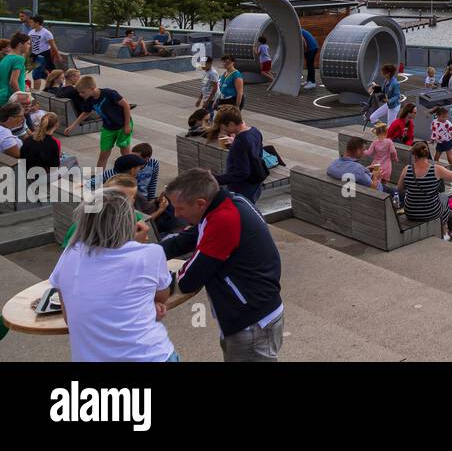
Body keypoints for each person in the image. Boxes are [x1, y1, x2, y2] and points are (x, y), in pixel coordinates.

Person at [162, 168, 284, 361]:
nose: (176, 214)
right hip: (253, 315)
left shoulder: (223, 220)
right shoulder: (229, 203)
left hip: (250, 324)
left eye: (180, 208)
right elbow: (186, 239)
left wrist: (162, 280)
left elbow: (189, 280)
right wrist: (149, 253)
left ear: (201, 203)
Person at [49, 190, 178, 362]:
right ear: (128, 223)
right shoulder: (151, 254)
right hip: (150, 356)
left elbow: (69, 317)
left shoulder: (69, 255)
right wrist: (136, 246)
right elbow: (161, 296)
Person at [399, 140, 452, 239]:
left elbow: (400, 188)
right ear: (427, 154)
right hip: (431, 212)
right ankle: (444, 230)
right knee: (444, 198)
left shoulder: (407, 169)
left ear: (414, 155)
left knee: (441, 199)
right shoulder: (436, 169)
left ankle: (445, 230)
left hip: (410, 212)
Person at [72, 76, 133, 172]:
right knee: (103, 154)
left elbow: (126, 105)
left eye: (83, 92)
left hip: (122, 125)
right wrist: (73, 125)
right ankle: (98, 178)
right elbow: (86, 112)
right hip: (108, 128)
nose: (80, 94)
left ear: (92, 89)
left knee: (125, 152)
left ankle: (132, 174)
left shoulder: (109, 93)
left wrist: (127, 125)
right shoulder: (89, 99)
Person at [212, 105, 268, 205]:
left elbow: (242, 173)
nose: (222, 130)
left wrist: (216, 179)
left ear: (231, 124)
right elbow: (256, 154)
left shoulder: (240, 142)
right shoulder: (255, 131)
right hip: (255, 184)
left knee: (240, 214)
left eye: (223, 127)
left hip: (243, 189)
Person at [26, 15, 60, 90]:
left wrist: (58, 57)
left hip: (43, 55)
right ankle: (52, 87)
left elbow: (53, 46)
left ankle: (35, 95)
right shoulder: (31, 32)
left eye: (31, 22)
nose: (30, 24)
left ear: (37, 23)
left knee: (36, 74)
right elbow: (31, 46)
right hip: (34, 55)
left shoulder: (46, 33)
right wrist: (27, 56)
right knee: (44, 74)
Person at [0, 32, 30, 108]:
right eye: (27, 44)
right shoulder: (19, 59)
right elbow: (13, 81)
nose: (29, 46)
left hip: (3, 96)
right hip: (11, 99)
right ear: (20, 44)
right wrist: (21, 97)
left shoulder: (6, 58)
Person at [429, 105, 452, 169]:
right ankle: (436, 170)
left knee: (449, 158)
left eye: (446, 117)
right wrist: (432, 139)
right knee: (436, 158)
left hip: (447, 142)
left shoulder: (448, 123)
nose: (445, 119)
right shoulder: (434, 122)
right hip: (439, 143)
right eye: (443, 117)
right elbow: (434, 131)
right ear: (438, 116)